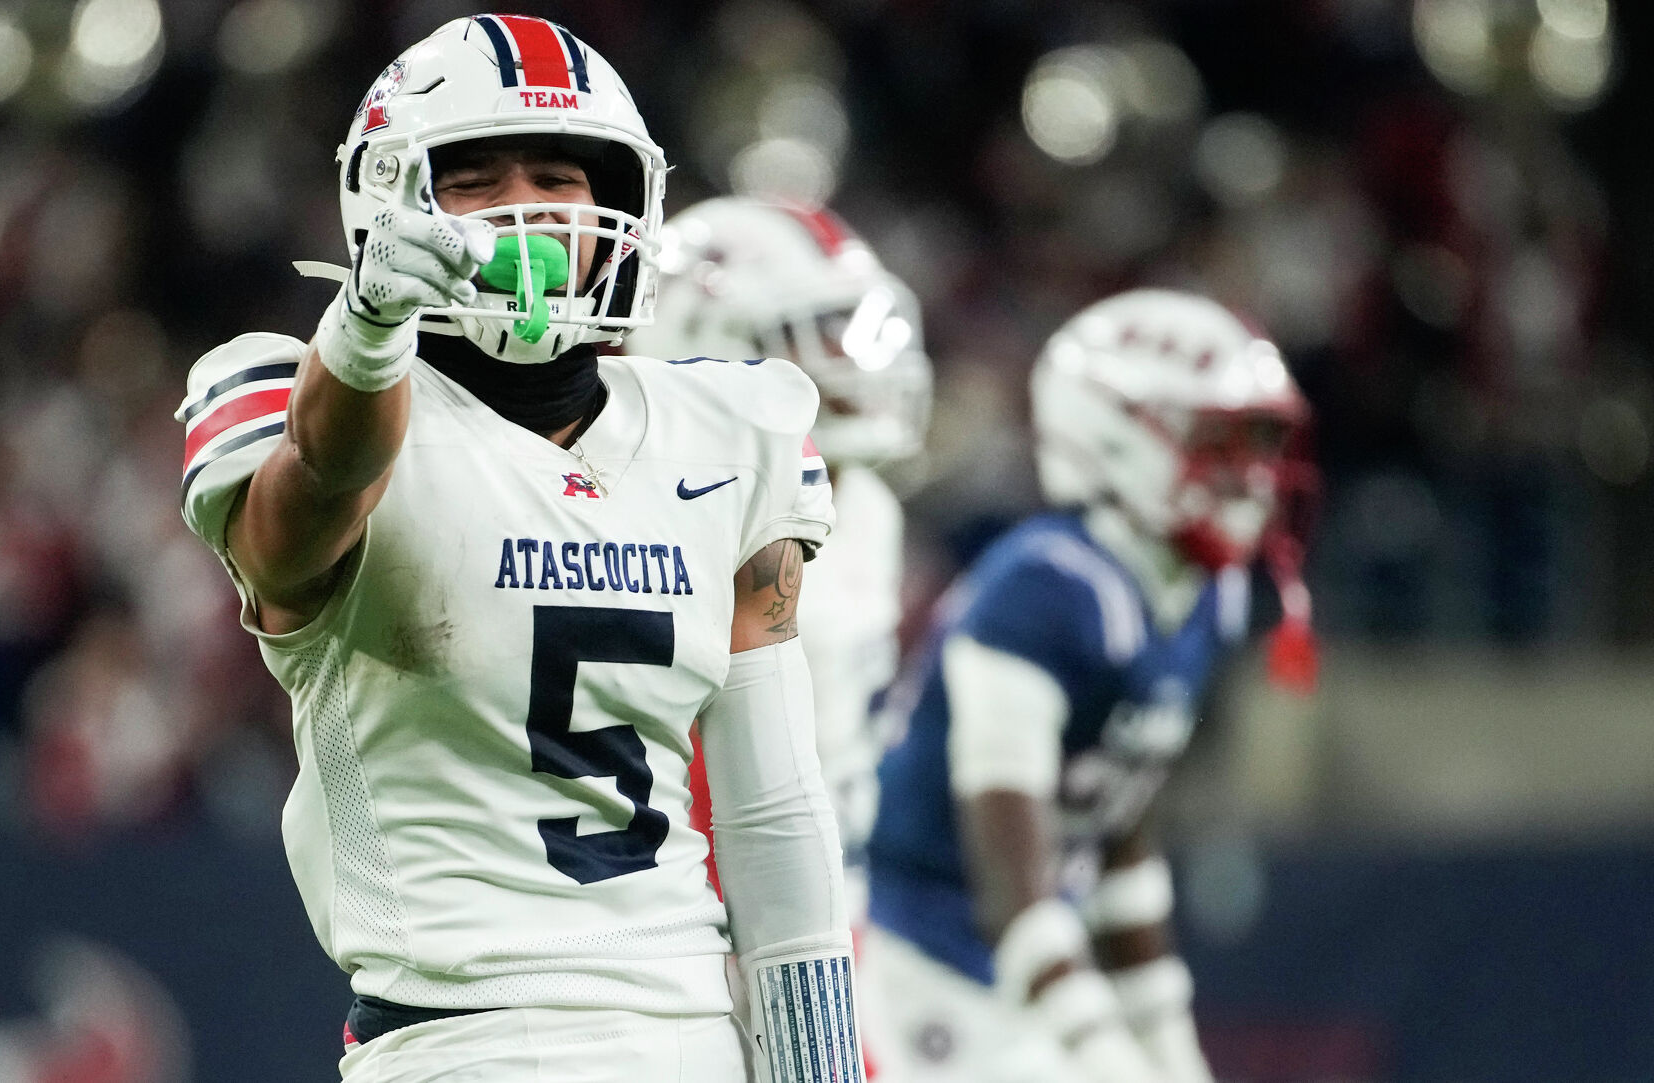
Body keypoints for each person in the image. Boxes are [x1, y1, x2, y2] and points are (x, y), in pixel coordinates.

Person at [176, 16, 859, 1082]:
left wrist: (814, 1070)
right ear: (389, 203)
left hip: (694, 1034)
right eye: (475, 181)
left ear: (621, 208)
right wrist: (363, 330)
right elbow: (297, 519)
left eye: (558, 175)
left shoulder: (727, 431)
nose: (527, 210)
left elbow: (772, 812)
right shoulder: (298, 394)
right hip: (467, 1042)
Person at [860, 290, 1313, 1083]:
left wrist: (1166, 1035)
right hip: (922, 955)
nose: (1254, 475)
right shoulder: (1047, 586)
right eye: (1220, 440)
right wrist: (1099, 1043)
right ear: (1118, 431)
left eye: (1260, 444)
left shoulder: (1202, 589)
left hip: (1020, 962)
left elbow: (1114, 827)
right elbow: (1009, 868)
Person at [630, 197, 931, 893]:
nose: (861, 359)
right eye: (821, 330)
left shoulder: (867, 505)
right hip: (705, 894)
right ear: (709, 342)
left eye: (858, 326)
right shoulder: (681, 515)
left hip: (835, 880)